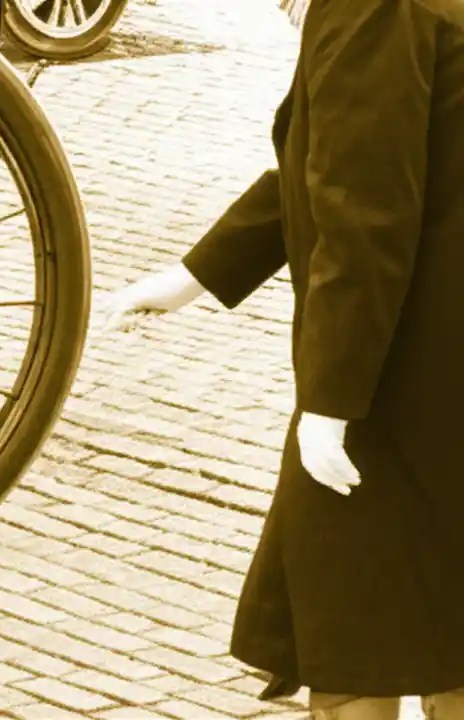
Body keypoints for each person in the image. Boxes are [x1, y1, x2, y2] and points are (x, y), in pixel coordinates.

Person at [101, 0, 464, 718]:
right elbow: (335, 163)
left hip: (404, 371)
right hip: (435, 357)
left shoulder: (373, 8)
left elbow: (364, 213)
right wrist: (195, 275)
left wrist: (330, 404)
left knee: (356, 632)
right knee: (443, 623)